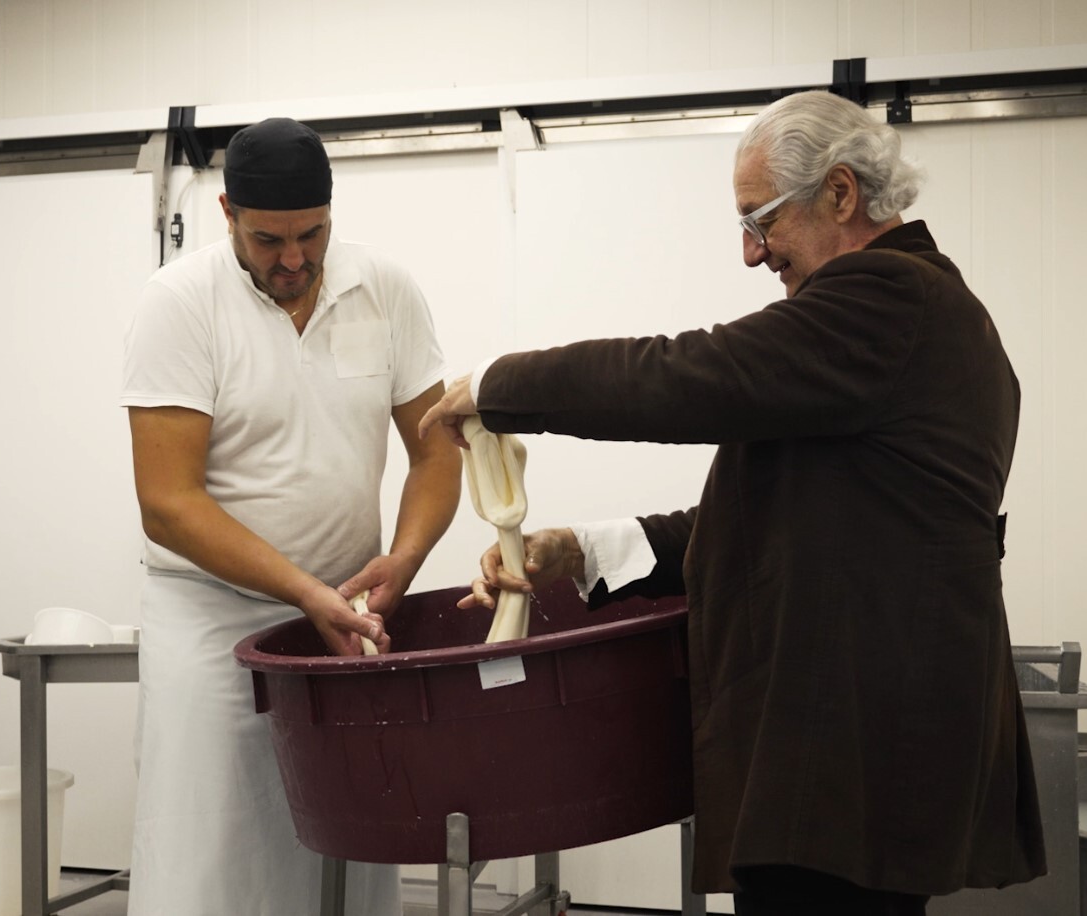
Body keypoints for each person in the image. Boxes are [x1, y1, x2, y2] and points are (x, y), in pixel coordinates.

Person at [419, 90, 1045, 915]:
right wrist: (578, 549)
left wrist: (496, 387)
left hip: (847, 763)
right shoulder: (901, 327)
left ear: (841, 193)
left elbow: (683, 376)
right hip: (850, 767)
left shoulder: (892, 303)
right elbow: (775, 525)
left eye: (762, 221)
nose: (753, 254)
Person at [121, 117, 461, 915]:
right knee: (207, 844)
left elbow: (438, 453)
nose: (296, 260)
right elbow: (167, 505)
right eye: (271, 241)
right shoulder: (179, 303)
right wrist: (305, 590)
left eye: (312, 234)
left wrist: (403, 563)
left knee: (347, 833)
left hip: (347, 614)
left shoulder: (384, 288)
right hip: (209, 622)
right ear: (229, 213)